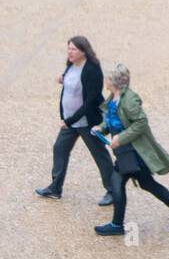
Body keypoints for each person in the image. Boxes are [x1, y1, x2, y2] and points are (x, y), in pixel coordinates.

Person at [92, 64, 169, 237]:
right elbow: (113, 121)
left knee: (117, 181)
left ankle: (117, 224)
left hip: (133, 152)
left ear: (114, 82)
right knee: (146, 183)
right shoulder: (114, 97)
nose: (105, 81)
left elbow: (140, 122)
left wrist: (120, 138)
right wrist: (101, 128)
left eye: (107, 78)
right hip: (126, 152)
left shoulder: (129, 100)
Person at [35, 36, 114, 205]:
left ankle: (113, 191)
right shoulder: (71, 64)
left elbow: (91, 100)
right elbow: (71, 80)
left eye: (74, 49)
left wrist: (69, 121)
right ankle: (55, 188)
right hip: (70, 121)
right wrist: (63, 78)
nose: (70, 52)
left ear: (83, 51)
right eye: (69, 48)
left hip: (86, 121)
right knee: (60, 149)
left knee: (100, 155)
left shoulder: (92, 69)